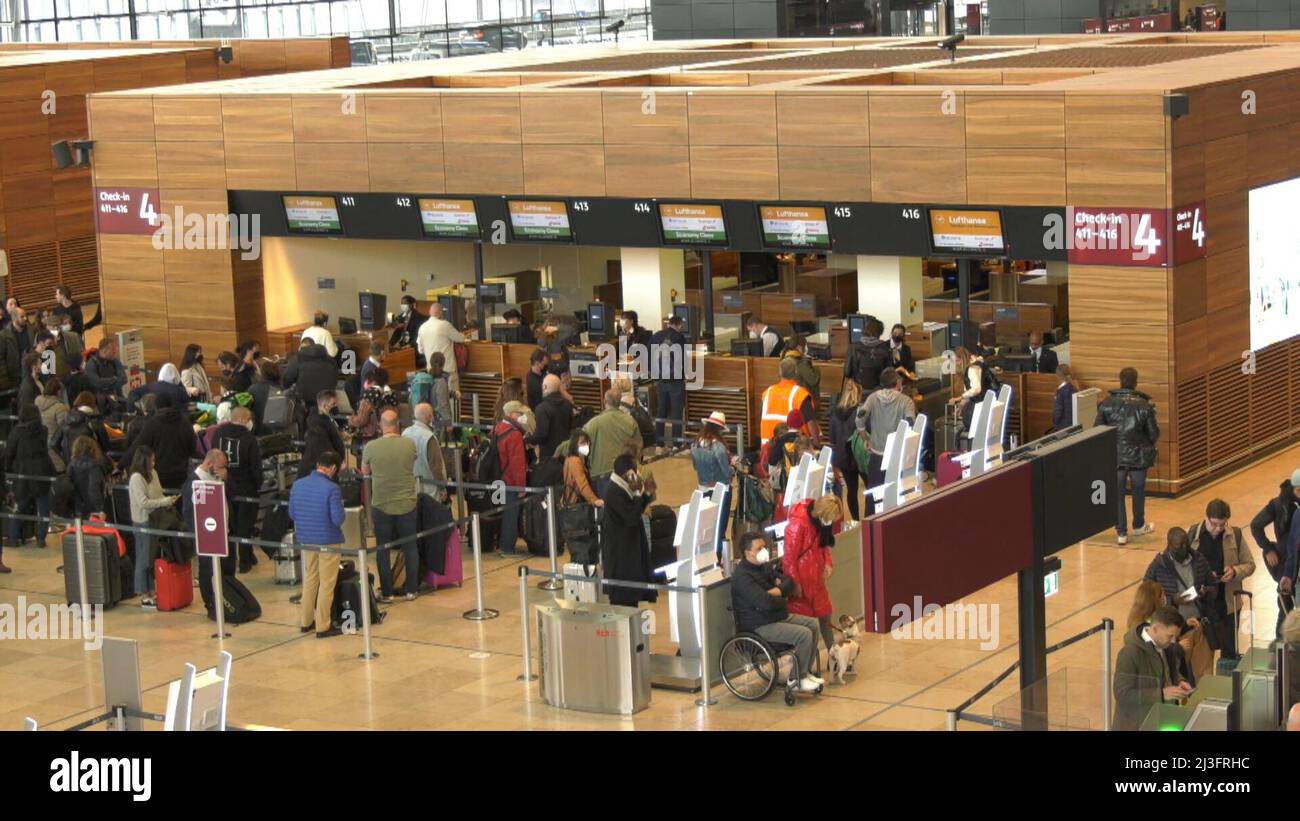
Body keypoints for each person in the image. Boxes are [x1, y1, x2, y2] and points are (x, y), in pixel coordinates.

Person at [731, 531, 824, 693]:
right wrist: (781, 595)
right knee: (804, 634)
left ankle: (804, 672)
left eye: (764, 547)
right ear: (748, 553)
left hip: (776, 615)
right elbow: (764, 601)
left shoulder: (763, 567)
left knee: (813, 624)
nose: (764, 551)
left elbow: (789, 583)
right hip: (759, 625)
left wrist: (777, 591)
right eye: (759, 548)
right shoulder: (742, 577)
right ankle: (796, 679)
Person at [1096, 367, 1160, 545]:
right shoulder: (1144, 405)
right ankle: (1138, 526)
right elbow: (1154, 434)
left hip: (1115, 458)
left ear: (1120, 380)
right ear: (1136, 382)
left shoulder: (1106, 404)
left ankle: (1121, 532)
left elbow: (1098, 430)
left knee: (1118, 494)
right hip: (1138, 458)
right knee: (1139, 491)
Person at [1143, 527, 1218, 678]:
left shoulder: (1198, 559)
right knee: (1178, 674)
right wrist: (1172, 600)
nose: (1184, 549)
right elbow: (1147, 595)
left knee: (1203, 674)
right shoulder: (1158, 565)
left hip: (1197, 626)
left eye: (1186, 544)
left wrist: (1205, 592)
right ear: (1169, 545)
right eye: (1179, 546)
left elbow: (1213, 585)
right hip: (1173, 631)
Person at [361, 410, 419, 602]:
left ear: (381, 425)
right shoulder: (409, 444)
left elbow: (365, 471)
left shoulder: (371, 446)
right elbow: (412, 462)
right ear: (398, 425)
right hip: (407, 503)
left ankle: (387, 592)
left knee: (382, 549)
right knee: (410, 547)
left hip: (381, 504)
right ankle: (412, 590)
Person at [1187, 499, 1255, 661]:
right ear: (1206, 518)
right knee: (1200, 654)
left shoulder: (1235, 535)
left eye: (1222, 525)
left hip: (1228, 603)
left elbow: (1250, 564)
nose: (1218, 529)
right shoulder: (1192, 535)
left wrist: (1234, 571)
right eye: (1214, 524)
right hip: (1200, 604)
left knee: (1229, 652)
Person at [289, 451, 347, 638]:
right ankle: (323, 625)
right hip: (328, 541)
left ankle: (306, 622)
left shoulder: (298, 485)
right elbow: (338, 518)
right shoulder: (332, 489)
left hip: (306, 539)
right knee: (327, 583)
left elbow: (292, 514)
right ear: (332, 468)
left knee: (310, 579)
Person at [1113, 605, 1192, 731]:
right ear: (1154, 629)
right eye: (1170, 636)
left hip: (1161, 720)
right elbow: (1122, 694)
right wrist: (1161, 694)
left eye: (1175, 637)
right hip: (1137, 725)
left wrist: (1180, 682)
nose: (1173, 641)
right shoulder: (1129, 653)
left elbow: (1171, 672)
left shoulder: (1166, 645)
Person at [783, 494, 842, 663]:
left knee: (825, 616)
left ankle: (833, 657)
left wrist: (828, 563)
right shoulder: (798, 524)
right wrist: (795, 583)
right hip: (802, 581)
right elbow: (789, 558)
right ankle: (806, 664)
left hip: (816, 578)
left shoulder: (820, 521)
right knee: (808, 625)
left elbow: (823, 545)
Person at [600, 453, 657, 607]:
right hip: (621, 559)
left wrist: (647, 493)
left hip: (630, 553)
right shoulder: (614, 491)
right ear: (627, 473)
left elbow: (635, 509)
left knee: (632, 601)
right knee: (623, 603)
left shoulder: (623, 487)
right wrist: (639, 492)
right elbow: (631, 516)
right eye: (635, 470)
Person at [127, 446, 181, 609]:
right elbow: (143, 503)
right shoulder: (136, 478)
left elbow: (157, 494)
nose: (154, 462)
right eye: (151, 459)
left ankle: (151, 589)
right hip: (142, 521)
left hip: (156, 519)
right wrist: (164, 502)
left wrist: (168, 500)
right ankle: (143, 592)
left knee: (151, 557)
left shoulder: (154, 474)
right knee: (143, 558)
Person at [211, 406, 262, 574]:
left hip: (223, 486)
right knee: (245, 525)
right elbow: (256, 467)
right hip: (246, 487)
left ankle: (231, 561)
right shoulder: (249, 439)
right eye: (248, 419)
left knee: (229, 525)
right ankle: (245, 560)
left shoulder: (218, 435)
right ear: (242, 419)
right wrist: (258, 484)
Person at [183, 449, 231, 617]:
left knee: (220, 569)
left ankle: (221, 599)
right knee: (207, 569)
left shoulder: (215, 476)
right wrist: (199, 535)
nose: (222, 470)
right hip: (205, 536)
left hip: (221, 532)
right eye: (220, 467)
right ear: (210, 464)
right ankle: (210, 603)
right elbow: (189, 513)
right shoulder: (194, 482)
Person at [1251, 468, 1300, 635]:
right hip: (1287, 564)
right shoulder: (1279, 505)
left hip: (1292, 566)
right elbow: (1256, 525)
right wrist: (1268, 548)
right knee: (1285, 610)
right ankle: (1281, 654)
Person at [3, 404, 56, 551]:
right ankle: (41, 538)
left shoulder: (17, 432)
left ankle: (13, 538)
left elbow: (9, 453)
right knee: (43, 506)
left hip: (23, 471)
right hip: (43, 470)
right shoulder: (43, 430)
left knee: (20, 505)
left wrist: (7, 468)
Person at [122, 393, 198, 491]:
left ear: (156, 406)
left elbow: (137, 447)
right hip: (181, 475)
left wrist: (120, 465)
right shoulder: (185, 422)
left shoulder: (153, 424)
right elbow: (192, 448)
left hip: (159, 476)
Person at [859, 368, 916, 498]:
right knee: (897, 497)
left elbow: (859, 419)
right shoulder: (906, 401)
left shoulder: (873, 398)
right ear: (898, 383)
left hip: (877, 456)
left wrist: (866, 439)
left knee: (875, 498)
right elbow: (910, 423)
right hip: (897, 457)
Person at [490, 400, 531, 556]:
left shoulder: (497, 429)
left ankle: (499, 543)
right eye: (520, 414)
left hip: (497, 478)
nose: (522, 416)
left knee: (501, 512)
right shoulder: (514, 434)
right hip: (510, 481)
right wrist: (521, 487)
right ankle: (507, 547)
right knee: (511, 514)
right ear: (512, 414)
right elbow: (517, 464)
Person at [691, 411, 735, 545]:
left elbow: (695, 466)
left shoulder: (696, 443)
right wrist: (733, 468)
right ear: (719, 429)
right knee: (720, 527)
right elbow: (726, 472)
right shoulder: (718, 446)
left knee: (707, 527)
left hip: (703, 488)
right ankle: (719, 556)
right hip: (721, 489)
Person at [584, 388, 641, 483]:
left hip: (600, 475)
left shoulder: (592, 424)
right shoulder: (630, 422)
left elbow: (581, 448)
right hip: (625, 472)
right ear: (620, 402)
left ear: (604, 401)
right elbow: (639, 447)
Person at [760, 356, 819, 446]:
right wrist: (817, 444)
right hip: (794, 450)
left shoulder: (767, 393)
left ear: (779, 373)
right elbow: (811, 422)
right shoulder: (800, 394)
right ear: (795, 372)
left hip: (769, 449)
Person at [650, 314, 688, 448]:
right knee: (676, 412)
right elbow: (683, 359)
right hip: (675, 380)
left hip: (660, 380)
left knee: (661, 410)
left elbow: (649, 356)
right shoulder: (679, 337)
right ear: (679, 325)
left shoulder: (656, 336)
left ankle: (659, 442)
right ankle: (676, 443)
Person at [829, 379, 863, 521]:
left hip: (840, 456)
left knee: (850, 490)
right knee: (867, 487)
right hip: (856, 454)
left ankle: (855, 519)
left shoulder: (834, 414)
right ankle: (867, 517)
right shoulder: (858, 412)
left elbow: (833, 438)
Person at [416, 302, 466, 393]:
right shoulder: (445, 325)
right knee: (452, 400)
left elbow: (420, 350)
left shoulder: (422, 328)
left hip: (431, 371)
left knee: (436, 399)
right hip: (447, 370)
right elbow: (460, 339)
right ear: (440, 312)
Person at [299, 390, 347, 479]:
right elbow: (322, 444)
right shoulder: (317, 422)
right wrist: (337, 461)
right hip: (324, 468)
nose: (336, 406)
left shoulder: (324, 418)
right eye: (333, 404)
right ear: (325, 405)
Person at [348, 367, 398, 453]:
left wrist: (350, 419)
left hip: (370, 437)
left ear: (372, 380)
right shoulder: (391, 393)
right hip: (388, 433)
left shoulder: (370, 394)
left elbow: (361, 420)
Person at [950, 345, 998, 433]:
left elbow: (976, 389)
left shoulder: (973, 368)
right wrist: (961, 406)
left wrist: (960, 397)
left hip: (984, 403)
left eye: (957, 361)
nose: (956, 364)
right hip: (984, 401)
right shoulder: (972, 366)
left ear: (962, 359)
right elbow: (969, 391)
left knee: (969, 421)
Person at [58, 390, 111, 467]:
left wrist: (65, 459)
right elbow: (106, 447)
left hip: (72, 465)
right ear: (93, 404)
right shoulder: (94, 421)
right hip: (93, 466)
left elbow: (53, 443)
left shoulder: (65, 421)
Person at [528, 373, 573, 463]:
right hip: (565, 453)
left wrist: (528, 439)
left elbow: (541, 435)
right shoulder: (567, 405)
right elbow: (570, 427)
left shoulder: (541, 408)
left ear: (544, 387)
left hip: (548, 456)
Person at [282, 338, 337, 410]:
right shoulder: (331, 360)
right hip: (327, 399)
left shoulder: (298, 359)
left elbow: (286, 379)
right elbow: (335, 379)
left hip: (305, 401)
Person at [404, 402, 447, 490]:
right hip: (430, 489)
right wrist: (442, 488)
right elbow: (436, 467)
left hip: (410, 487)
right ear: (429, 417)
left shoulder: (405, 433)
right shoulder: (429, 437)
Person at [844, 316, 890, 395]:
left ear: (865, 330)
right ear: (879, 333)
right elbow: (888, 374)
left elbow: (847, 372)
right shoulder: (884, 348)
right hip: (878, 393)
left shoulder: (853, 347)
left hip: (858, 392)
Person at [68, 435, 110, 521]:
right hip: (94, 510)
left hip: (78, 507)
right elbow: (93, 489)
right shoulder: (95, 467)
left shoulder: (71, 465)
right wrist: (100, 509)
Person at [562, 429, 603, 507]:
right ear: (575, 445)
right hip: (576, 504)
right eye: (582, 443)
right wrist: (595, 500)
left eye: (587, 442)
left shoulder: (572, 459)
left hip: (572, 502)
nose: (586, 445)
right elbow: (582, 484)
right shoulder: (575, 461)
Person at [36, 379, 70, 473]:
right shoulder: (60, 408)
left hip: (41, 448)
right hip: (56, 451)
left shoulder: (38, 402)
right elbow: (64, 430)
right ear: (58, 392)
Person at [0, 306, 34, 397]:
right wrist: (5, 379)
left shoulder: (32, 330)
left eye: (25, 316)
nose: (25, 318)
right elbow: (1, 358)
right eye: (22, 317)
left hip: (32, 372)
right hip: (15, 377)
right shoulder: (3, 335)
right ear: (14, 318)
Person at [783, 334, 821, 406]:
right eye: (805, 346)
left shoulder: (784, 358)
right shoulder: (800, 362)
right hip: (802, 399)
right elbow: (813, 380)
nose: (806, 348)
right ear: (799, 346)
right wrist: (816, 368)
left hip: (789, 398)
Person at [426, 352, 455, 435]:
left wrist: (452, 393)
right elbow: (442, 405)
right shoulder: (441, 381)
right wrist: (448, 422)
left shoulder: (429, 378)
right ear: (443, 363)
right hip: (439, 421)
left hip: (429, 418)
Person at [397, 295, 428, 365]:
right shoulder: (401, 317)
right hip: (403, 348)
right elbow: (397, 331)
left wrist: (410, 345)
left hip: (414, 350)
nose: (402, 305)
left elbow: (418, 335)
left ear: (411, 305)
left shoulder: (420, 317)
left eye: (404, 304)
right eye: (401, 303)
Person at [1052, 363, 1079, 431]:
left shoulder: (1060, 392)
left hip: (1062, 427)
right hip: (1073, 424)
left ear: (1057, 376)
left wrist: (1055, 422)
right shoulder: (1074, 388)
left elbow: (1057, 412)